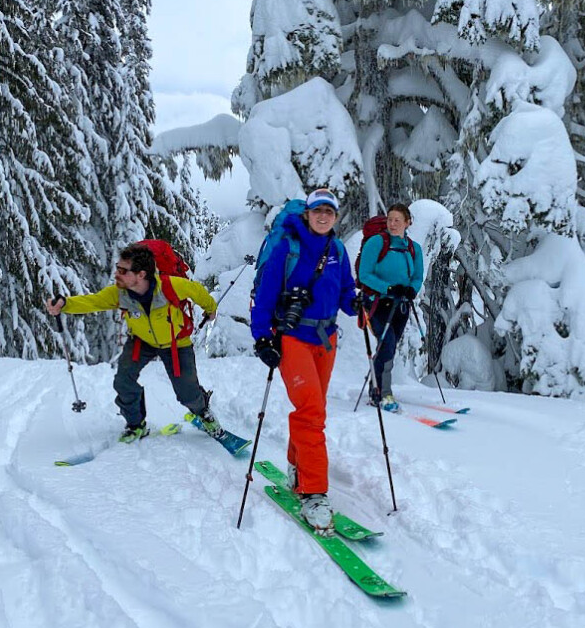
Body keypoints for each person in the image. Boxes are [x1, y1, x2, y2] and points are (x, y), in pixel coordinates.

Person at [250, 187, 358, 534]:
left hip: (326, 340)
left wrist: (358, 304)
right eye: (317, 211)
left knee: (314, 409)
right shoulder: (288, 247)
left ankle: (298, 468)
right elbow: (265, 295)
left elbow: (345, 293)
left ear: (335, 216)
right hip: (293, 338)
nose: (323, 216)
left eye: (329, 211)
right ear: (307, 214)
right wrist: (262, 337)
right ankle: (313, 493)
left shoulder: (337, 250)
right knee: (311, 412)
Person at [46, 243, 225, 443]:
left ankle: (203, 411)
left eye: (123, 271)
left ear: (141, 275)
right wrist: (65, 304)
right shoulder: (119, 293)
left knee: (187, 394)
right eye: (118, 268)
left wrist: (210, 309)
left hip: (176, 342)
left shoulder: (170, 286)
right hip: (141, 341)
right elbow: (93, 301)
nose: (117, 274)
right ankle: (136, 424)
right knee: (123, 382)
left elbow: (197, 291)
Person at [355, 202, 424, 412]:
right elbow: (364, 274)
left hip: (400, 306)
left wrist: (411, 290)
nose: (392, 224)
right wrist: (388, 288)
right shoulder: (376, 242)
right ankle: (381, 393)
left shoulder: (413, 248)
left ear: (407, 223)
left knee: (389, 347)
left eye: (397, 220)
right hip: (377, 303)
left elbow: (417, 276)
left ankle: (377, 386)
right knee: (387, 344)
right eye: (390, 220)